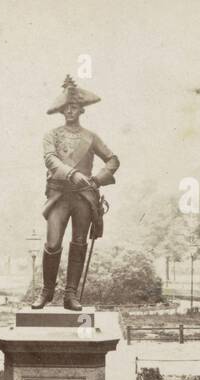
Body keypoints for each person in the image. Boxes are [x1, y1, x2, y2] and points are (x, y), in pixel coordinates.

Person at [36, 75, 120, 311]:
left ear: (81, 110)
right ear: (62, 110)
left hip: (84, 197)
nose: (70, 111)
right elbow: (50, 159)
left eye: (74, 107)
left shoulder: (91, 137)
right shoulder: (51, 135)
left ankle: (71, 295)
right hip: (59, 195)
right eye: (66, 108)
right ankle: (46, 291)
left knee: (79, 242)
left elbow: (113, 160)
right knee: (52, 244)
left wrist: (97, 179)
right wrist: (71, 173)